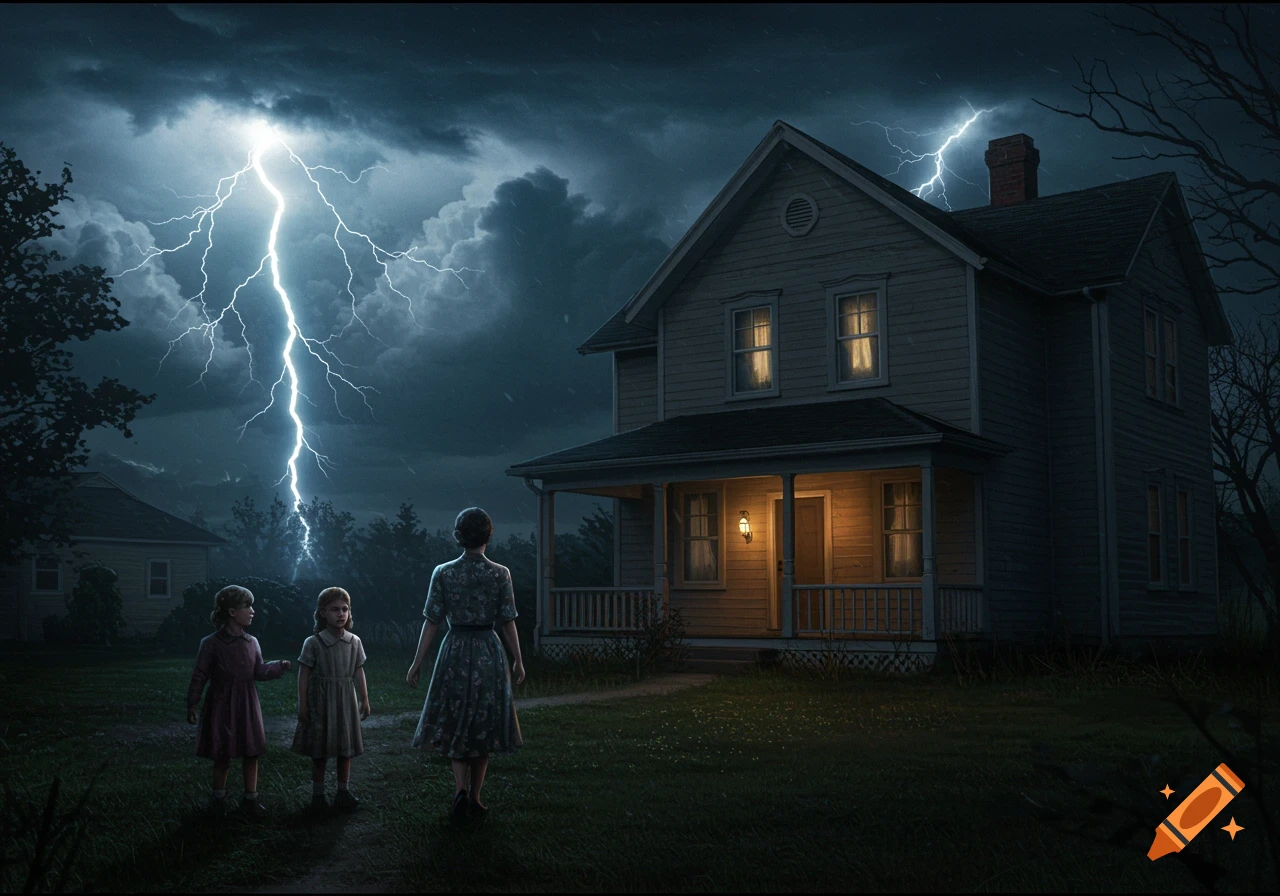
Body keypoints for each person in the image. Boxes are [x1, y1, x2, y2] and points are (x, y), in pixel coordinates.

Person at [407, 506, 525, 821]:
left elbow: (431, 622)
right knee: (482, 723)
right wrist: (518, 659)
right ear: (488, 535)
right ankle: (475, 796)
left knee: (456, 719)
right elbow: (508, 621)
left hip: (455, 649)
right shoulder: (500, 573)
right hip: (488, 650)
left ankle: (460, 789)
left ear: (458, 535)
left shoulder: (443, 572)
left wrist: (417, 662)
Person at [185, 584, 292, 817]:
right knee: (222, 752)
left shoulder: (252, 643)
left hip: (247, 703)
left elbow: (259, 671)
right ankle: (218, 800)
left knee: (251, 751)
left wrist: (278, 667)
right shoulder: (211, 643)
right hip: (220, 703)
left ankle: (250, 800)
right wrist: (192, 703)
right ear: (232, 612)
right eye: (247, 606)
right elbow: (200, 675)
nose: (253, 611)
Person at [291, 586, 371, 813]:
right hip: (321, 700)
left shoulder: (354, 641)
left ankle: (343, 792)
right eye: (335, 609)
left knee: (345, 747)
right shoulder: (314, 642)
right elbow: (303, 674)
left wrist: (364, 698)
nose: (340, 614)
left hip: (345, 700)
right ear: (323, 612)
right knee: (320, 748)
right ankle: (318, 795)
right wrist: (302, 704)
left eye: (344, 609)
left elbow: (358, 670)